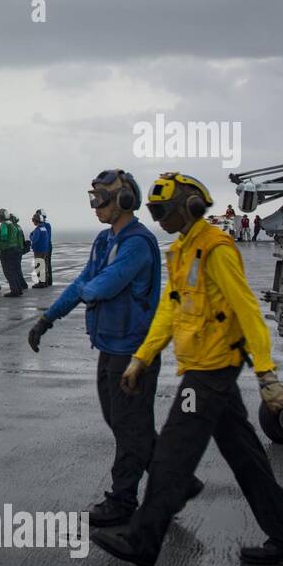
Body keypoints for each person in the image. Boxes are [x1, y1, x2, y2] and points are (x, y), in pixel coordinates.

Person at [92, 172, 283, 566]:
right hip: (206, 368)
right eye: (154, 211)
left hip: (210, 371)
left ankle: (143, 541)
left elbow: (246, 310)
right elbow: (169, 311)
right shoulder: (182, 251)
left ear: (189, 207)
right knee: (246, 458)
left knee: (172, 457)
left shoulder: (216, 248)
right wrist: (142, 358)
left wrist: (267, 374)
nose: (158, 218)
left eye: (163, 210)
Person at [27, 169, 201, 526]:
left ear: (122, 201)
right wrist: (49, 317)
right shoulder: (105, 240)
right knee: (122, 422)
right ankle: (179, 482)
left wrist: (89, 288)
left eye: (99, 200)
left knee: (128, 426)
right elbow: (82, 282)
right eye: (91, 200)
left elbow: (102, 285)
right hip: (110, 346)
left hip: (134, 352)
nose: (95, 207)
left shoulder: (138, 243)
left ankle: (122, 500)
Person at [0, 209, 26, 296]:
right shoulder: (12, 224)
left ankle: (15, 291)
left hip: (7, 250)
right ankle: (18, 288)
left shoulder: (4, 224)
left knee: (8, 271)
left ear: (1, 217)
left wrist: (0, 246)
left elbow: (4, 236)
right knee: (14, 270)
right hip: (15, 249)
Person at [30, 209, 53, 287]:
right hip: (45, 247)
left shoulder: (42, 227)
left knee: (41, 264)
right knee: (46, 264)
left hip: (42, 248)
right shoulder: (44, 226)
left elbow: (35, 238)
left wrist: (31, 236)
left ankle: (42, 282)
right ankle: (46, 281)